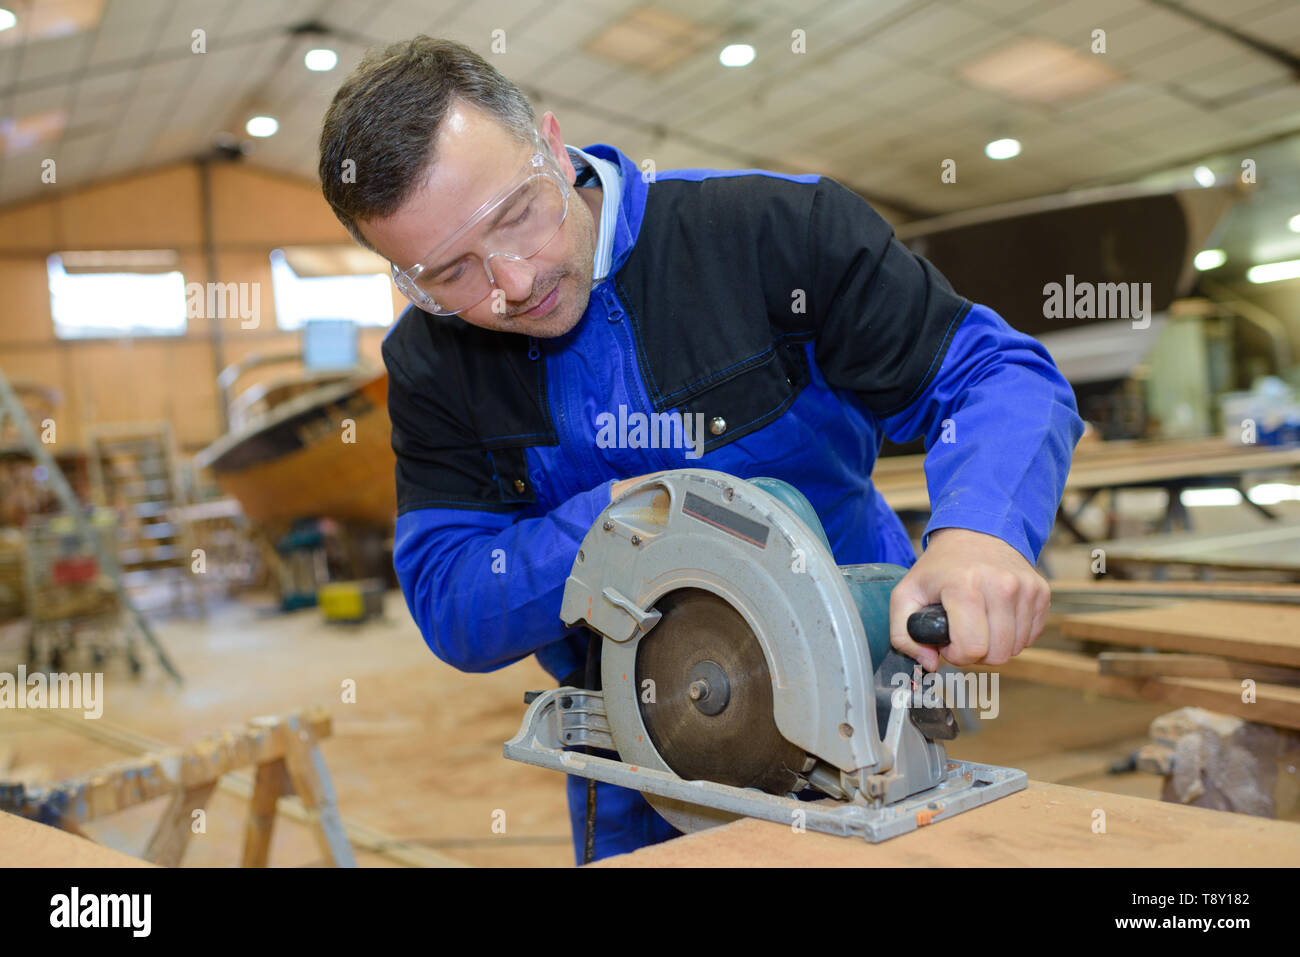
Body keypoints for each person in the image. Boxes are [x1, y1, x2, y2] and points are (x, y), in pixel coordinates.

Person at [317, 36, 1084, 864]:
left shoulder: (767, 233)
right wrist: (619, 531)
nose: (511, 283)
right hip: (636, 756)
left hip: (862, 716)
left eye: (515, 217)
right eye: (448, 272)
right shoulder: (433, 361)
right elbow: (452, 596)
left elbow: (996, 373)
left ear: (550, 140)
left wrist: (981, 530)